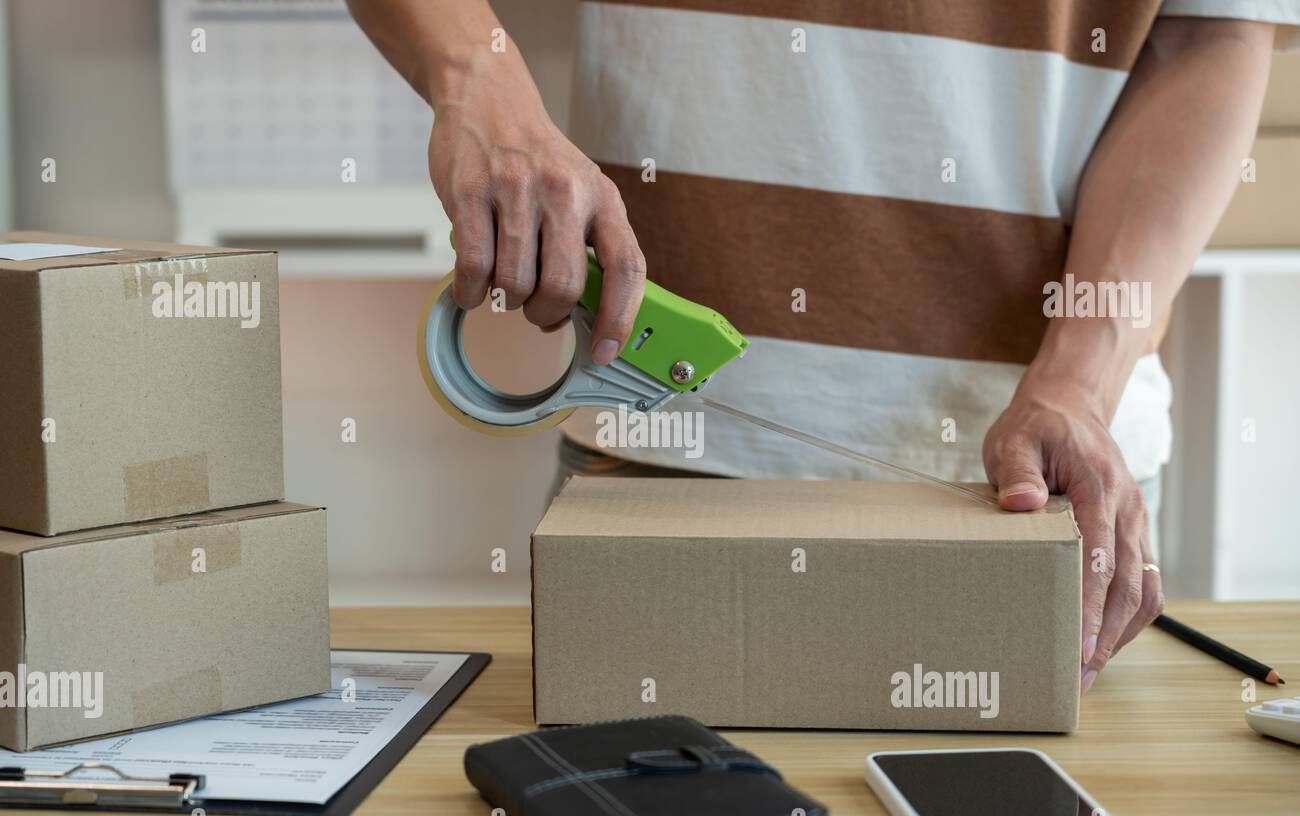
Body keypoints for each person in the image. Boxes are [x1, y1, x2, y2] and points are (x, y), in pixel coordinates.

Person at [347, 0, 1297, 693]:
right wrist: (482, 84)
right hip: (661, 477)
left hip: (1036, 503)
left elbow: (1210, 30)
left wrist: (1081, 381)